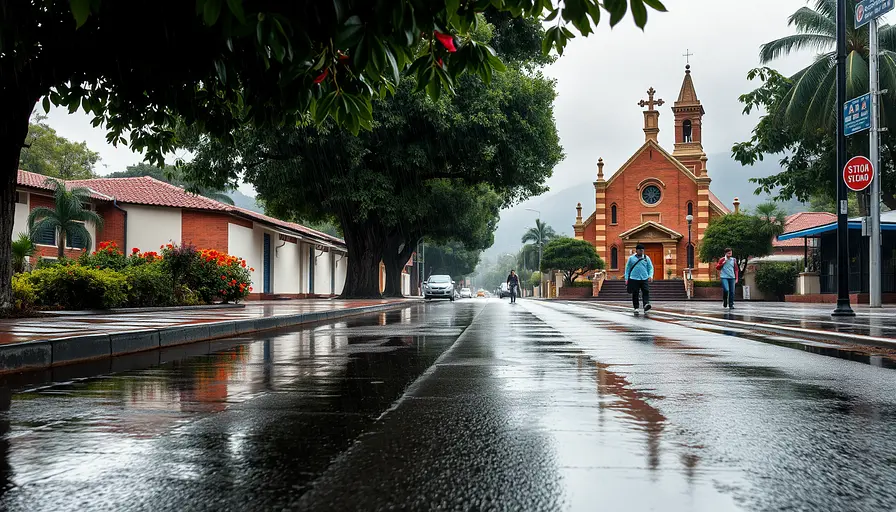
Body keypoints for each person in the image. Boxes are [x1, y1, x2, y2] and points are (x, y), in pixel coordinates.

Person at [625, 244, 654, 314]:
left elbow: (650, 267)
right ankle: (636, 307)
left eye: (642, 250)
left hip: (644, 278)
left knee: (646, 291)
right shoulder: (631, 258)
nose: (641, 251)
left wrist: (650, 275)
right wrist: (626, 278)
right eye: (640, 250)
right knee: (635, 293)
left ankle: (646, 304)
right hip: (634, 278)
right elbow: (627, 269)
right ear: (636, 250)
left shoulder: (646, 258)